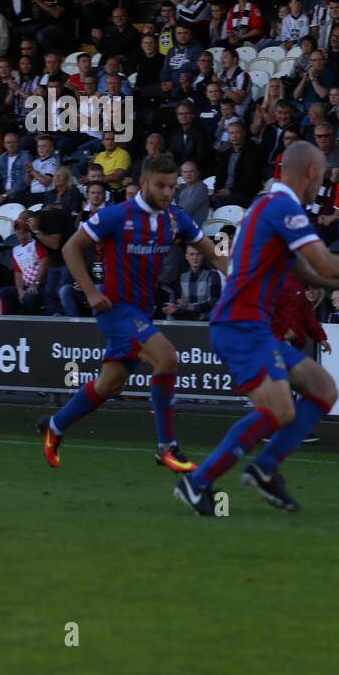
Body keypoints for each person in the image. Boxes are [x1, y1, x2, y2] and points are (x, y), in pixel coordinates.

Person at [174, 141, 339, 516]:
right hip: (240, 324)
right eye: (323, 174)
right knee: (279, 409)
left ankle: (265, 467)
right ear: (312, 173)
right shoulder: (283, 208)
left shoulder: (269, 208)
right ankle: (199, 481)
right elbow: (327, 267)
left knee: (323, 389)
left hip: (253, 327)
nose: (324, 183)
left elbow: (312, 272)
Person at [36, 154, 228, 472]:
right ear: (143, 183)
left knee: (110, 385)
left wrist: (238, 275)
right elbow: (70, 248)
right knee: (167, 357)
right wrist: (91, 290)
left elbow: (214, 253)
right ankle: (166, 447)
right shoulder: (115, 215)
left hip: (142, 311)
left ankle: (54, 425)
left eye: (172, 186)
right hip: (115, 308)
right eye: (161, 185)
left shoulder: (176, 219)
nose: (167, 192)